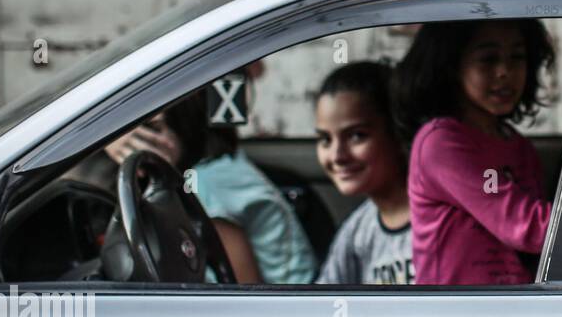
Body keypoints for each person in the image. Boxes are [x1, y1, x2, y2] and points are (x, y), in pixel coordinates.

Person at [393, 20, 554, 285]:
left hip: (516, 309)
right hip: (455, 315)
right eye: (488, 59)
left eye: (517, 57)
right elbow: (527, 227)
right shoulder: (441, 142)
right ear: (452, 66)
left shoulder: (519, 146)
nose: (505, 71)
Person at [104, 86, 316, 284]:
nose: (137, 143)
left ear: (183, 124)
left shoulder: (207, 183)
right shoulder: (218, 167)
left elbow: (240, 294)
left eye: (154, 129)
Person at [313, 62, 413, 285]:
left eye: (357, 136)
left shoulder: (440, 219)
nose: (337, 155)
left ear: (397, 134)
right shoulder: (357, 230)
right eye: (325, 139)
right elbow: (324, 304)